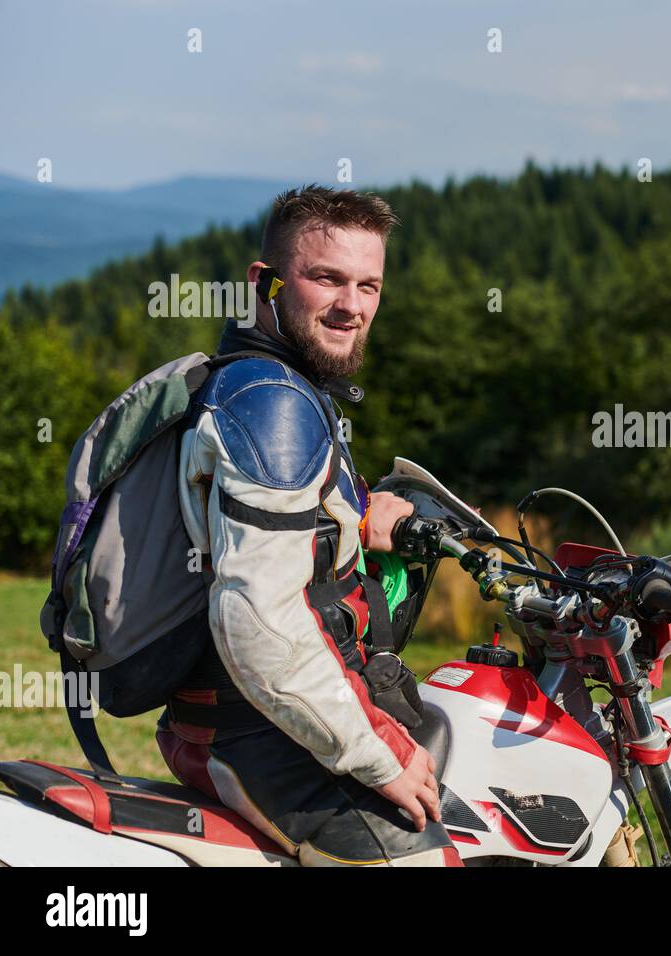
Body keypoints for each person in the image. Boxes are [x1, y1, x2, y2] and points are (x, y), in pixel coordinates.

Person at [155, 185, 458, 866]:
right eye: (326, 279)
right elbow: (257, 622)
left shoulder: (260, 380)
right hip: (260, 733)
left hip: (238, 714)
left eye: (369, 285)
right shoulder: (275, 407)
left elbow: (278, 539)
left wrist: (356, 520)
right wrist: (377, 759)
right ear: (264, 284)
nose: (352, 306)